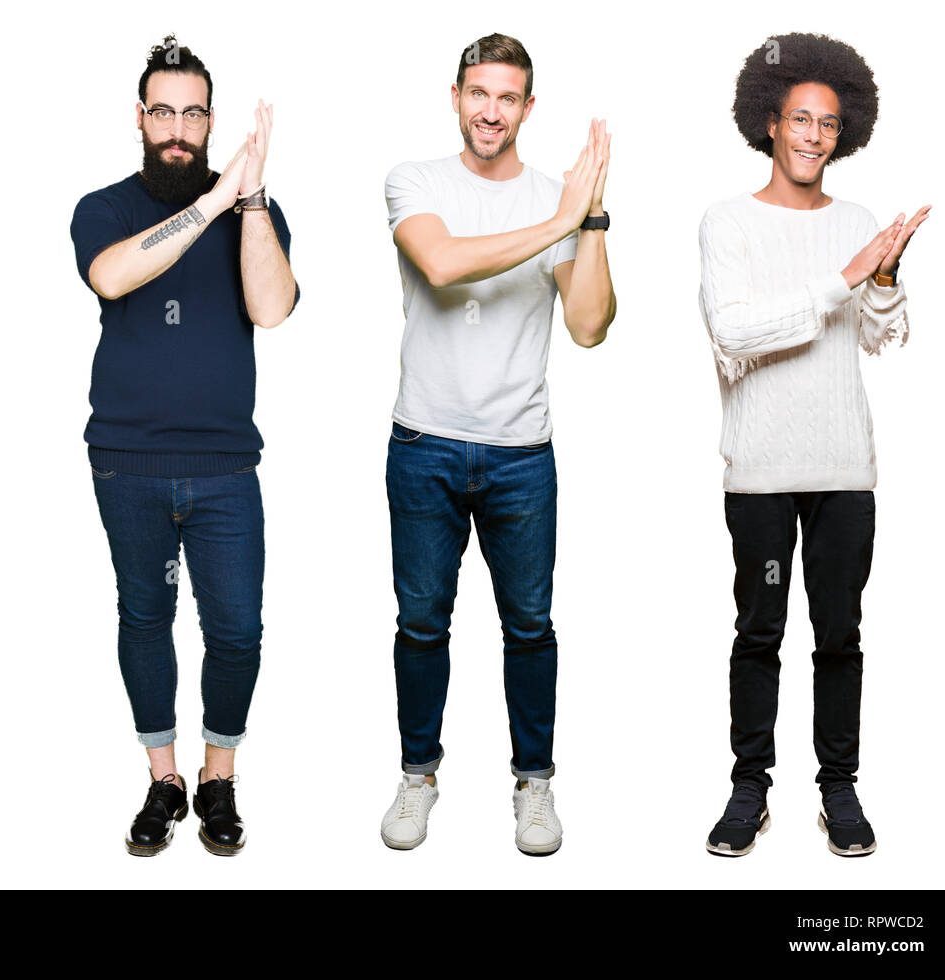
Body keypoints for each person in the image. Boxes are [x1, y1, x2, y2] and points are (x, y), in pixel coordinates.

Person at [380, 33, 615, 854]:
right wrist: (557, 218)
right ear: (455, 97)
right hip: (425, 444)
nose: (490, 111)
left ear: (527, 108)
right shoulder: (415, 181)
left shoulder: (561, 198)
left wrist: (587, 221)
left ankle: (536, 783)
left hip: (521, 453)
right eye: (478, 93)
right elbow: (444, 265)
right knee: (420, 622)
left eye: (507, 97)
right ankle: (418, 775)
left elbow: (589, 327)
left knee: (530, 627)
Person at [699, 32, 927, 858]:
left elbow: (878, 334)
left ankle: (840, 787)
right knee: (759, 631)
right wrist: (843, 278)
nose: (812, 136)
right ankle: (749, 786)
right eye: (799, 119)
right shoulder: (727, 223)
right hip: (761, 472)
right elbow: (736, 332)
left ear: (844, 132)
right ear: (769, 122)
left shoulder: (860, 223)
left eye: (828, 124)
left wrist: (888, 275)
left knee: (840, 633)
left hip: (843, 471)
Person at [70, 35, 298, 857]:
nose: (178, 128)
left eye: (192, 113)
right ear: (140, 117)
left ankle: (218, 777)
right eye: (162, 111)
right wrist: (211, 201)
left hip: (226, 469)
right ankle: (164, 779)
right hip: (127, 464)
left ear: (212, 120)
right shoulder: (104, 207)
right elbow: (112, 277)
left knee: (236, 629)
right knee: (146, 616)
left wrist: (251, 198)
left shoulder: (253, 210)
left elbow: (271, 309)